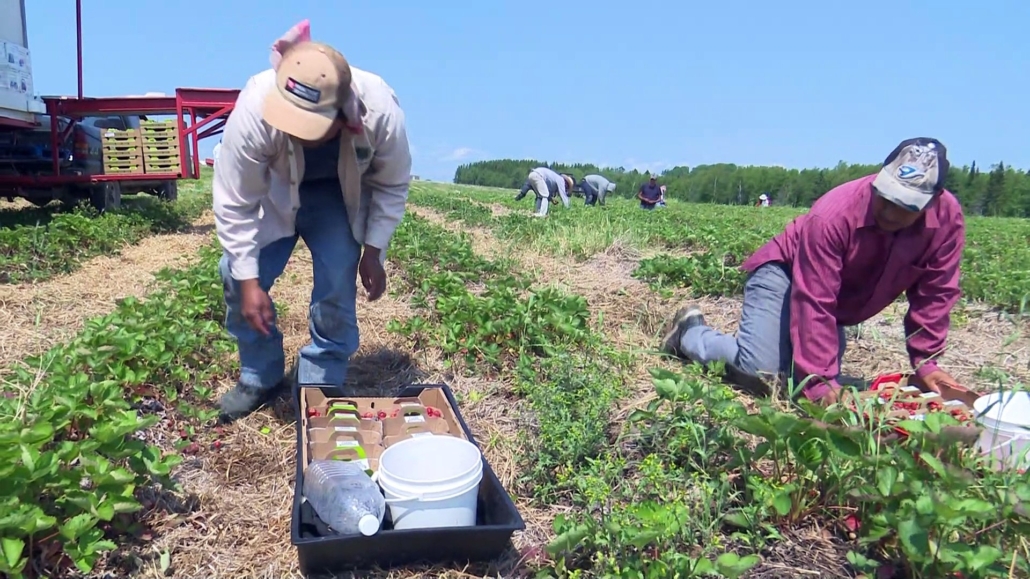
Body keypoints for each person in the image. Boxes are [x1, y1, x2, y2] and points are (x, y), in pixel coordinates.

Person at [660, 137, 965, 405]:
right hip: (784, 272)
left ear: (933, 201)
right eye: (885, 196)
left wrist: (926, 362)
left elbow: (935, 294)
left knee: (800, 378)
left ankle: (778, 350)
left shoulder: (947, 221)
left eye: (905, 205)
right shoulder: (834, 214)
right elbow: (815, 299)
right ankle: (690, 334)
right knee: (764, 373)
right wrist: (820, 381)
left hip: (836, 296)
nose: (889, 211)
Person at [212, 22, 411, 421]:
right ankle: (259, 376)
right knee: (234, 274)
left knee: (337, 280)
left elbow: (391, 184)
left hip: (337, 196)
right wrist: (250, 283)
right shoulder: (256, 105)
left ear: (341, 114)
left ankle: (319, 380)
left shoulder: (379, 110)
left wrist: (374, 251)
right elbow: (236, 200)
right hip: (275, 193)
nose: (294, 131)